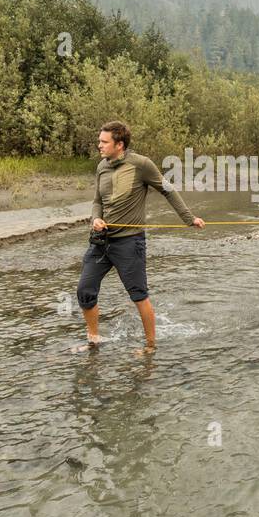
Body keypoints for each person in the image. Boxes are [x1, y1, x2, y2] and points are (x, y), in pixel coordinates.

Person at [76, 121, 204, 351]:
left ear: (120, 145)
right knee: (85, 291)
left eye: (104, 142)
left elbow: (168, 189)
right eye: (100, 141)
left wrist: (189, 219)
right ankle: (93, 340)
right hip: (101, 241)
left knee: (138, 295)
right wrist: (95, 219)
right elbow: (97, 201)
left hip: (129, 242)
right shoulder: (101, 167)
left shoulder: (142, 164)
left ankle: (150, 347)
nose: (99, 146)